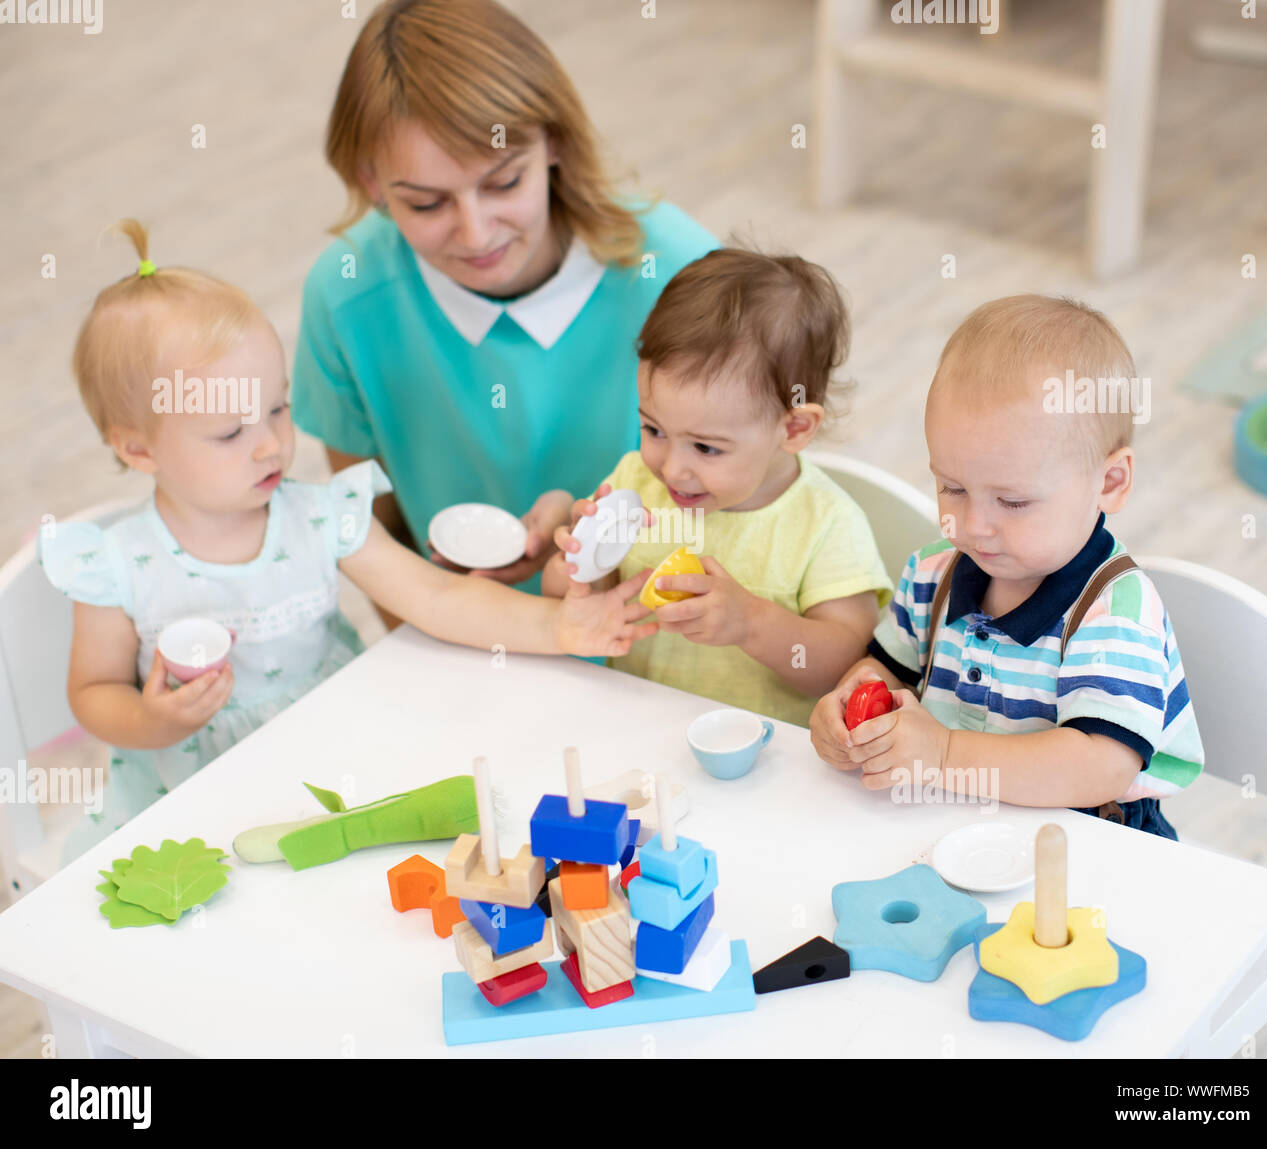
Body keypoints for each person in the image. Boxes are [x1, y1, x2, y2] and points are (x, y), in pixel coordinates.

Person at [40, 222, 657, 861]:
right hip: (193, 806)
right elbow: (93, 691)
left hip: (333, 771)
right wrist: (153, 721)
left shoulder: (318, 517)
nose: (271, 444)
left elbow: (440, 599)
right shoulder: (116, 568)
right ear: (138, 449)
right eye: (230, 434)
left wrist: (561, 626)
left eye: (277, 409)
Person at [292, 0, 717, 611]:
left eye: (503, 183)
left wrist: (589, 545)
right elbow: (375, 546)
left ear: (555, 143)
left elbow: (752, 510)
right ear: (370, 182)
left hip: (662, 644)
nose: (474, 233)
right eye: (426, 204)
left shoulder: (682, 273)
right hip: (462, 643)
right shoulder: (346, 297)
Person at [809, 295, 1204, 837]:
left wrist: (944, 752)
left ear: (1109, 483)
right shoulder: (932, 573)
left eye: (1013, 502)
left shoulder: (1115, 611)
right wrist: (847, 704)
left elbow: (1101, 766)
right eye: (952, 487)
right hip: (949, 822)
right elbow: (885, 669)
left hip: (1092, 840)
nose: (973, 525)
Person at [544, 248, 892, 727]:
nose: (672, 470)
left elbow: (847, 666)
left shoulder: (826, 523)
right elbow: (564, 602)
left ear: (792, 428)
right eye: (653, 430)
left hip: (766, 762)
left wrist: (751, 624)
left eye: (705, 448)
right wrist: (578, 566)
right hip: (634, 729)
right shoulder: (633, 481)